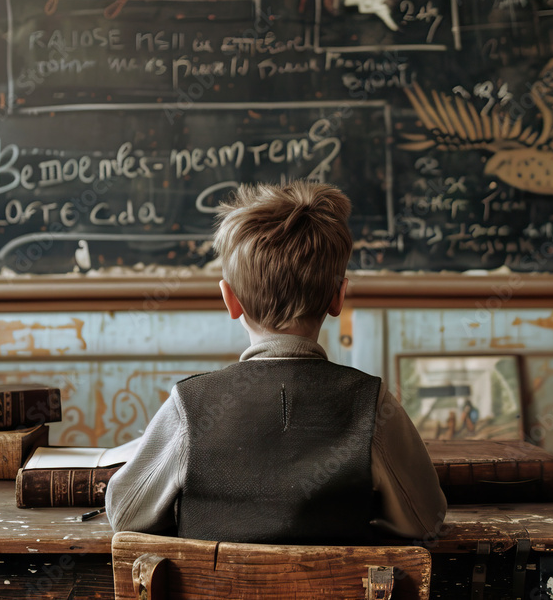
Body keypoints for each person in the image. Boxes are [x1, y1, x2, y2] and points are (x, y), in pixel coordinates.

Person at [106, 180, 447, 544]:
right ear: (338, 297)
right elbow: (426, 521)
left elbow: (125, 513)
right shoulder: (371, 403)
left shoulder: (191, 405)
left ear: (230, 300)